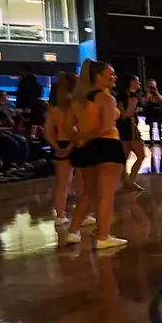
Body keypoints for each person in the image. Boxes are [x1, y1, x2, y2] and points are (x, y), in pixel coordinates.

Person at [63, 60, 128, 251]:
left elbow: (68, 128)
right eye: (111, 73)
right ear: (98, 76)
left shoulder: (77, 101)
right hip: (107, 145)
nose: (114, 77)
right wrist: (87, 136)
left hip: (86, 149)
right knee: (106, 195)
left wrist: (80, 138)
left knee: (88, 192)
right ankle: (103, 236)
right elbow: (106, 127)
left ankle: (73, 231)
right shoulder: (106, 99)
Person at [43, 71, 78, 226]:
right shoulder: (77, 107)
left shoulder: (54, 110)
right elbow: (79, 131)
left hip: (61, 144)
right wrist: (71, 147)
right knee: (81, 182)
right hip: (76, 145)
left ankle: (60, 215)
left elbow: (47, 132)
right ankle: (81, 213)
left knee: (62, 184)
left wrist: (57, 147)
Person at [117, 74, 147, 191]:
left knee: (124, 157)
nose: (139, 83)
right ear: (131, 82)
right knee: (141, 155)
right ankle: (130, 181)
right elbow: (128, 114)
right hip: (130, 128)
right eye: (137, 81)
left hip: (121, 128)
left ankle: (126, 181)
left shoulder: (120, 96)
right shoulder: (133, 97)